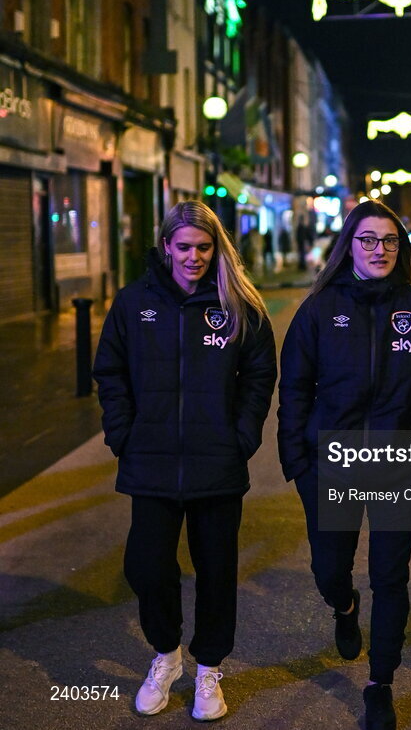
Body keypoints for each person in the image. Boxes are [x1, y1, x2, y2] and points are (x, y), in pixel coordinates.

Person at [93, 201, 277, 721]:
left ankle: (209, 669)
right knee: (146, 566)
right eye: (184, 247)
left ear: (216, 248)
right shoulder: (135, 302)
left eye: (203, 247)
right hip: (150, 460)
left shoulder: (238, 302)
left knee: (216, 570)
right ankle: (167, 655)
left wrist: (241, 436)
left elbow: (260, 374)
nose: (194, 257)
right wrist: (123, 434)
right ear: (166, 247)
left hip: (216, 461)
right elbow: (110, 371)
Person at [278, 200, 411, 730]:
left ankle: (381, 684)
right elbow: (294, 389)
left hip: (399, 466)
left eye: (390, 240)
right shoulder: (318, 309)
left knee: (391, 576)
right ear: (349, 247)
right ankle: (344, 606)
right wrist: (298, 462)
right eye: (368, 240)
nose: (380, 250)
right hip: (330, 467)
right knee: (328, 571)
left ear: (401, 247)